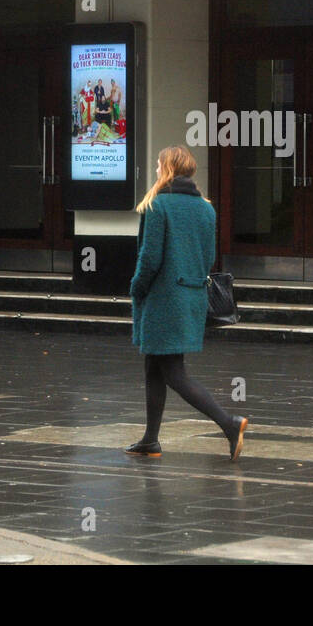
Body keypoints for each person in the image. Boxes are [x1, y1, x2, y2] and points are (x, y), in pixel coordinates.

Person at [126, 145, 248, 461]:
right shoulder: (206, 208)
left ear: (167, 169)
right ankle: (150, 439)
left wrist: (136, 287)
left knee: (174, 372)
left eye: (157, 165)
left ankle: (229, 423)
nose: (155, 170)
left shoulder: (158, 205)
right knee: (154, 364)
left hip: (164, 300)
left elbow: (149, 258)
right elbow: (208, 258)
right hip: (191, 296)